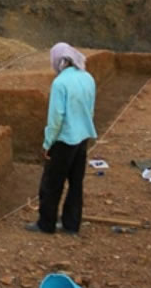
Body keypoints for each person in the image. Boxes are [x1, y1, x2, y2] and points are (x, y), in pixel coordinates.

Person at [25, 42, 97, 235]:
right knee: (76, 183)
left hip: (64, 140)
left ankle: (46, 224)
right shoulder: (87, 77)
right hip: (82, 139)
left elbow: (56, 118)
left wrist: (48, 143)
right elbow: (90, 109)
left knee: (52, 184)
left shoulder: (60, 83)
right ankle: (71, 225)